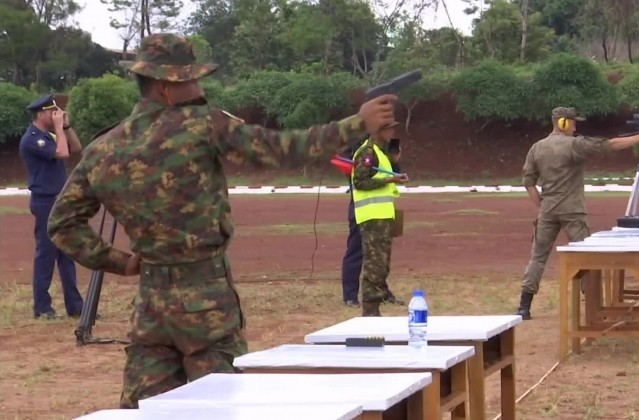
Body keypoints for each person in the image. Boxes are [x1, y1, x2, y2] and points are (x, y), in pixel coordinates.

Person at [46, 33, 398, 409]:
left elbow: (63, 223)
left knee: (147, 412)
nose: (199, 88)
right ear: (167, 87)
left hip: (150, 306)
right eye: (192, 80)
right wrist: (357, 123)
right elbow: (283, 148)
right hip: (207, 301)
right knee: (220, 407)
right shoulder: (203, 126)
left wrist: (121, 262)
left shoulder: (105, 147)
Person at [514, 107, 639, 320]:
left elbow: (529, 182)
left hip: (548, 210)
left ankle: (524, 307)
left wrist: (542, 206)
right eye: (573, 122)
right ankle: (592, 305)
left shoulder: (537, 148)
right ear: (564, 123)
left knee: (537, 258)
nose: (576, 125)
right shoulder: (574, 144)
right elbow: (609, 145)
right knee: (585, 257)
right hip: (573, 211)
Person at [18, 93, 85, 320]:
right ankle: (42, 307)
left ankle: (75, 306)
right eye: (52, 111)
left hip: (60, 198)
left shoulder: (49, 135)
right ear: (41, 114)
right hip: (45, 200)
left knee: (67, 253)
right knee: (46, 254)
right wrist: (58, 127)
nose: (56, 114)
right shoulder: (32, 139)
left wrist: (66, 127)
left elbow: (75, 148)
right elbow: (63, 153)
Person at [351, 122, 409, 316]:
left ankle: (375, 307)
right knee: (374, 265)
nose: (392, 132)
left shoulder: (379, 152)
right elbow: (359, 182)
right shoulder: (367, 152)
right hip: (372, 217)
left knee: (382, 265)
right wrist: (389, 180)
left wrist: (395, 173)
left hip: (383, 216)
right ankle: (369, 310)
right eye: (388, 129)